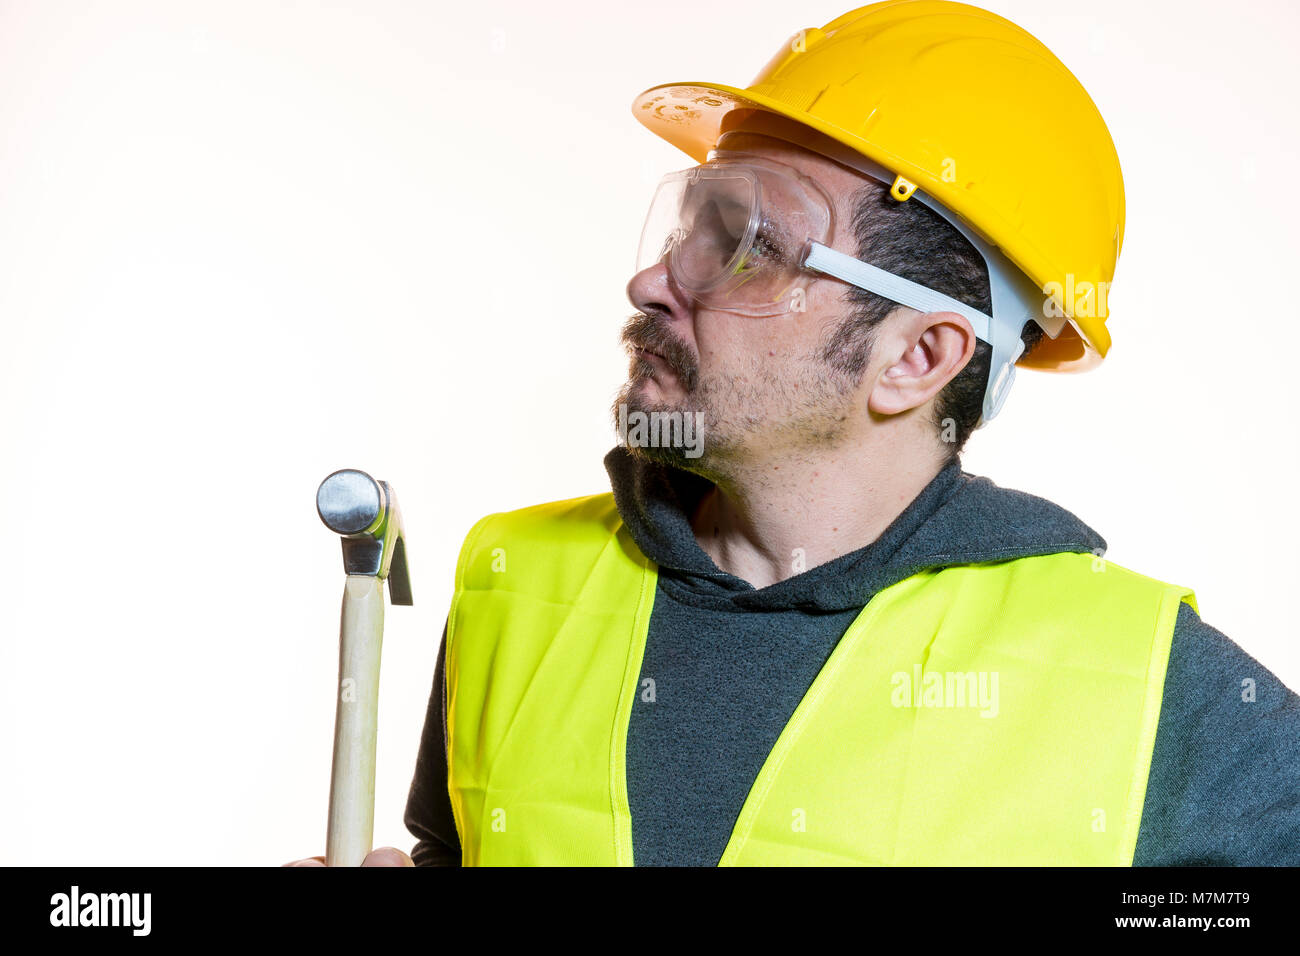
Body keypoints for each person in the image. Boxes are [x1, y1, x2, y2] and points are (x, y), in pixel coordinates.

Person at [292, 0, 1300, 867]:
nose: (654, 279)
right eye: (689, 224)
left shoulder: (1150, 685)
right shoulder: (515, 579)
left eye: (748, 247)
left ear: (918, 356)